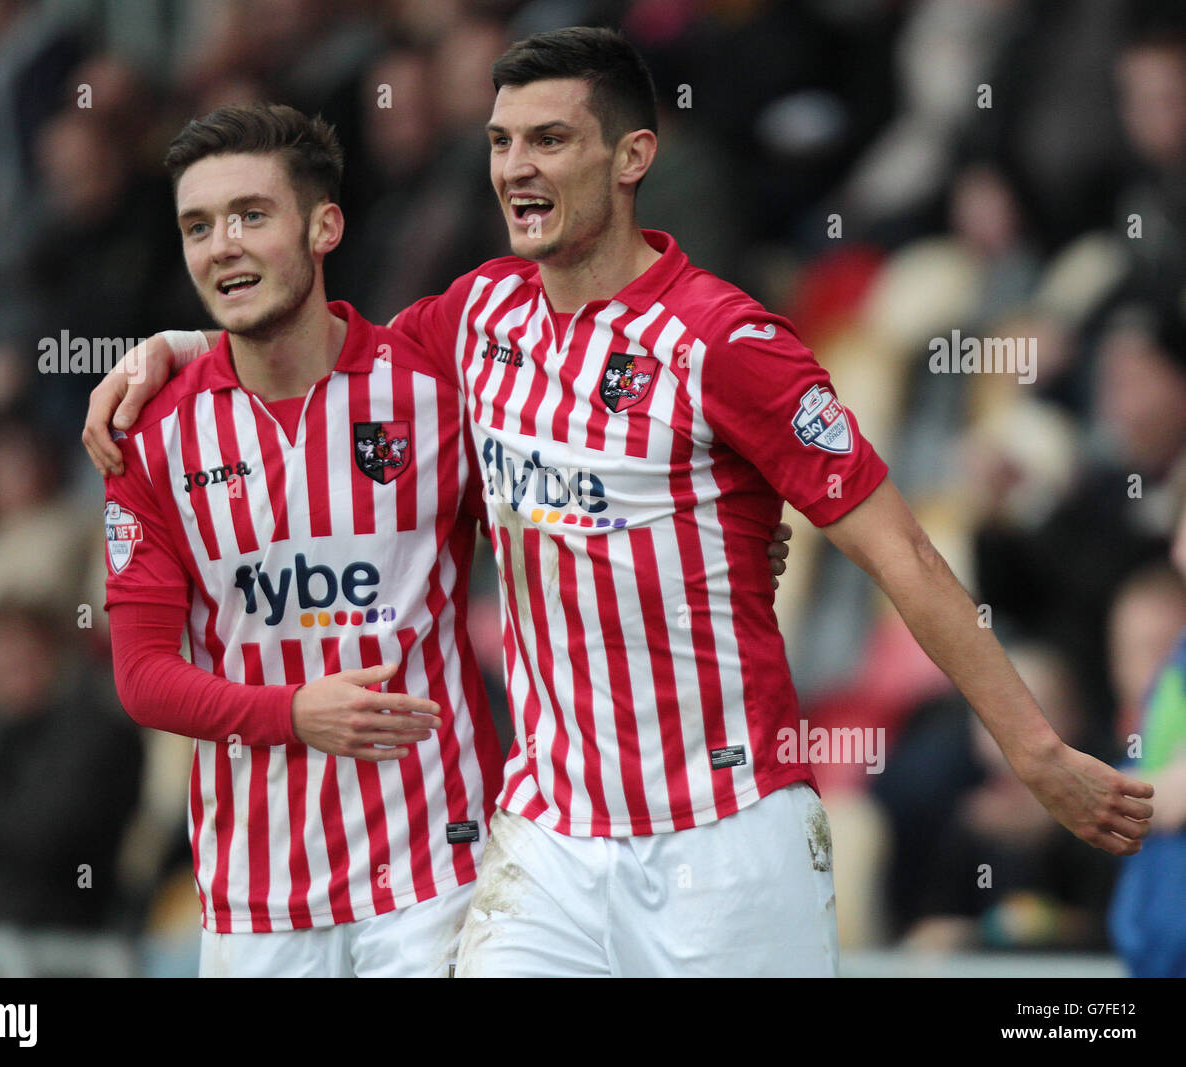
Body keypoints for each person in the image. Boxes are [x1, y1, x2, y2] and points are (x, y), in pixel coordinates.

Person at [84, 28, 1153, 978]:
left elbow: (905, 556)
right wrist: (171, 348)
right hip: (547, 834)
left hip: (725, 832)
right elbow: (312, 345)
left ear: (632, 157)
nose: (515, 168)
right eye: (502, 142)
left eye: (548, 140)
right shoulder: (478, 313)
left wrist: (1034, 749)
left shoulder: (726, 345)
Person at [102, 103, 508, 977]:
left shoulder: (434, 392)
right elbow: (141, 677)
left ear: (324, 226)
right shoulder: (150, 431)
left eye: (252, 215)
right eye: (198, 226)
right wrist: (290, 714)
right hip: (256, 896)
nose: (222, 246)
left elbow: (560, 514)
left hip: (434, 868)